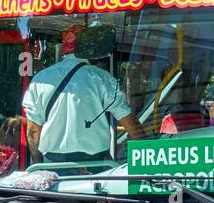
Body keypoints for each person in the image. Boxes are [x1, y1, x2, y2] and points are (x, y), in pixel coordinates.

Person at [22, 31, 146, 164]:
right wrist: (144, 156)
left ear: (64, 49)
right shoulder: (102, 78)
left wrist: (38, 165)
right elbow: (129, 121)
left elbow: (32, 132)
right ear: (88, 49)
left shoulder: (40, 80)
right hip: (95, 165)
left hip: (53, 164)